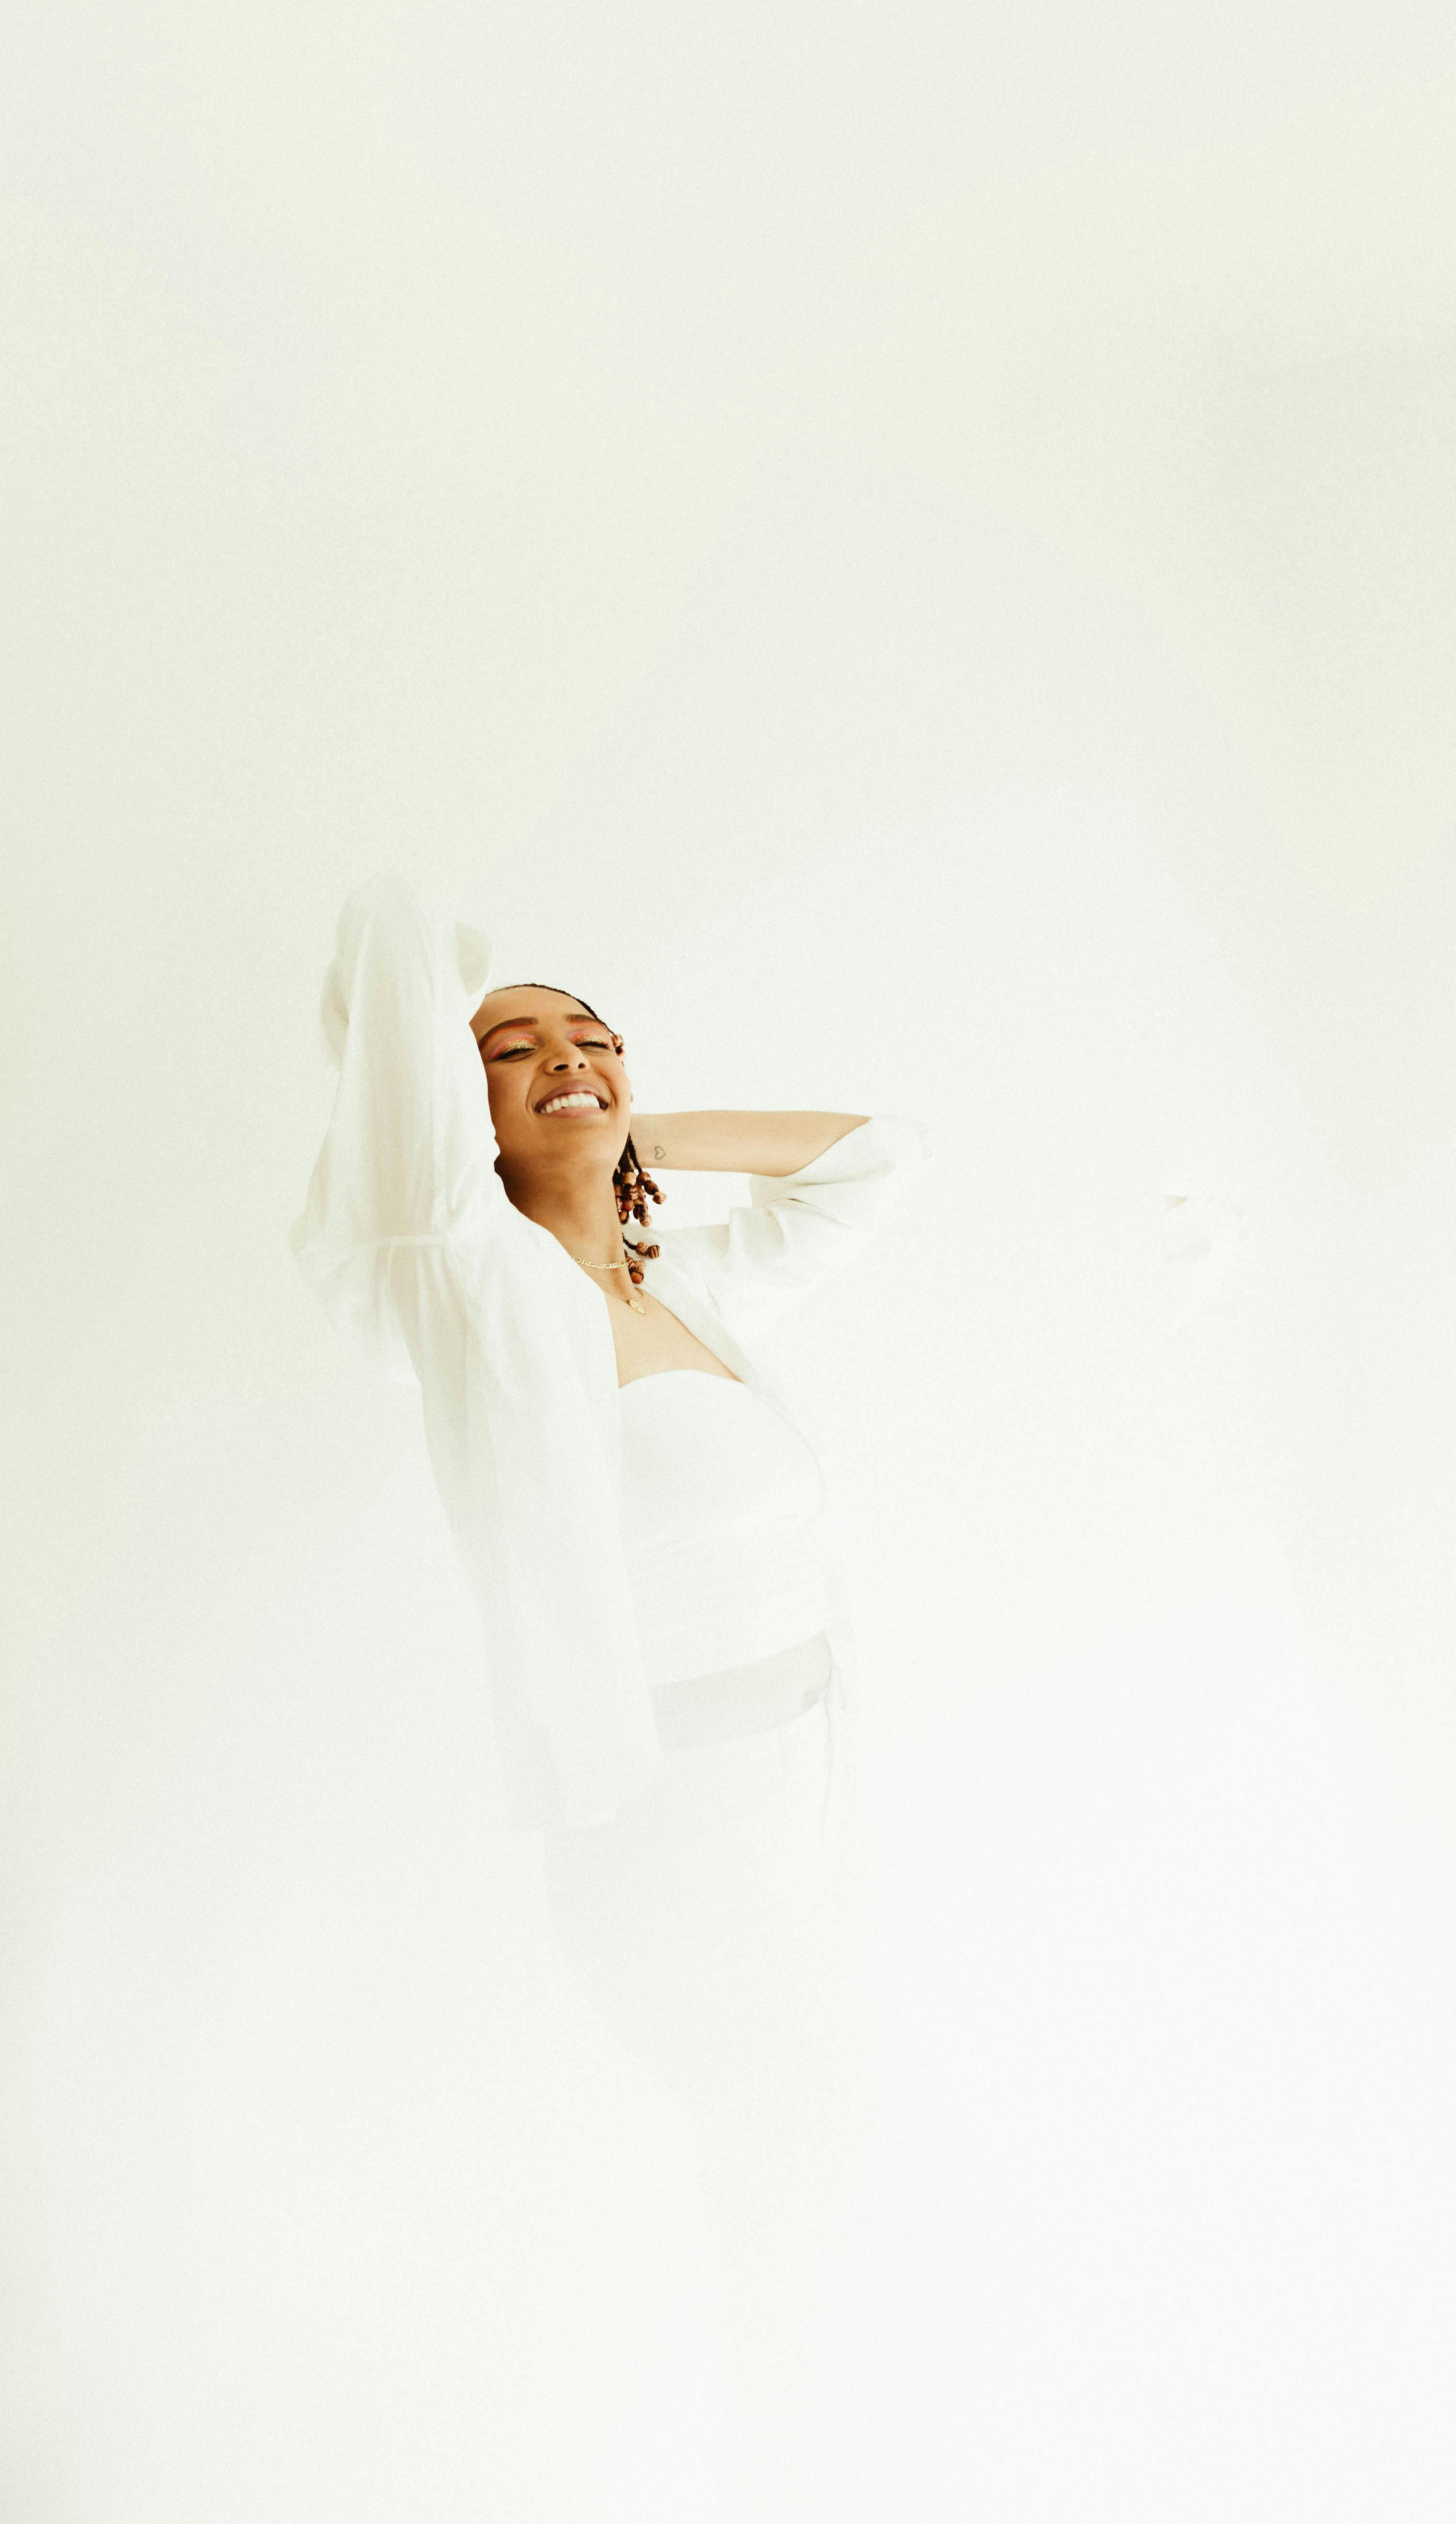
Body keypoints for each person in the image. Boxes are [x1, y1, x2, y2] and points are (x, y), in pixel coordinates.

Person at [290, 866, 928, 2517]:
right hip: (673, 1825)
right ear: (452, 1110)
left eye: (597, 1039)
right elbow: (391, 949)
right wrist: (460, 1036)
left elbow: (862, 1159)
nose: (569, 1055)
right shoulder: (468, 1286)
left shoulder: (689, 1287)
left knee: (807, 2186)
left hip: (811, 1778)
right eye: (515, 1050)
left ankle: (806, 2459)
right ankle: (780, 2473)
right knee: (791, 2180)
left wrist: (625, 1128)